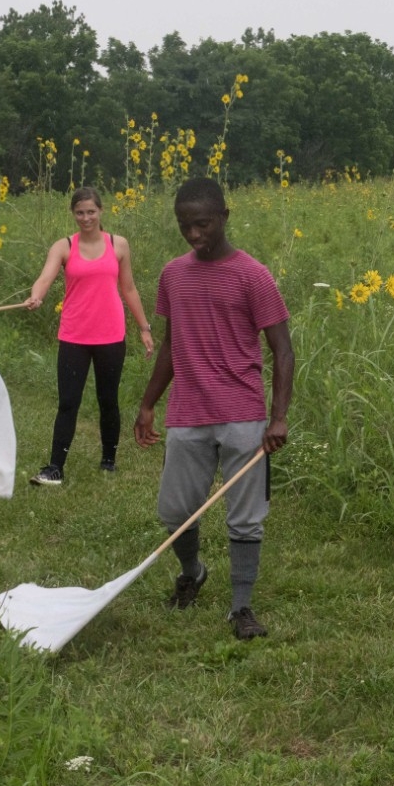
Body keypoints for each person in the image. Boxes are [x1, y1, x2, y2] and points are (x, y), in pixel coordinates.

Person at [134, 177, 294, 640]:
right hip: (188, 412)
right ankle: (193, 571)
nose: (193, 234)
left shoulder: (253, 275)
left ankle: (241, 607)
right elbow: (170, 345)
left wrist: (278, 416)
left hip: (243, 414)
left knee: (245, 517)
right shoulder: (173, 274)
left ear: (225, 216)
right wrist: (148, 403)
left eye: (202, 224)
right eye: (184, 225)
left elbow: (283, 349)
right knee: (175, 511)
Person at [25, 187, 154, 486]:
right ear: (73, 214)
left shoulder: (119, 245)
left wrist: (144, 328)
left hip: (111, 335)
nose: (86, 218)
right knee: (68, 402)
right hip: (74, 335)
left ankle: (109, 460)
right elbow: (44, 278)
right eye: (80, 213)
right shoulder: (64, 246)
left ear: (101, 211)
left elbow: (129, 288)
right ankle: (55, 468)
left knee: (108, 399)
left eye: (91, 212)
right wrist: (36, 296)